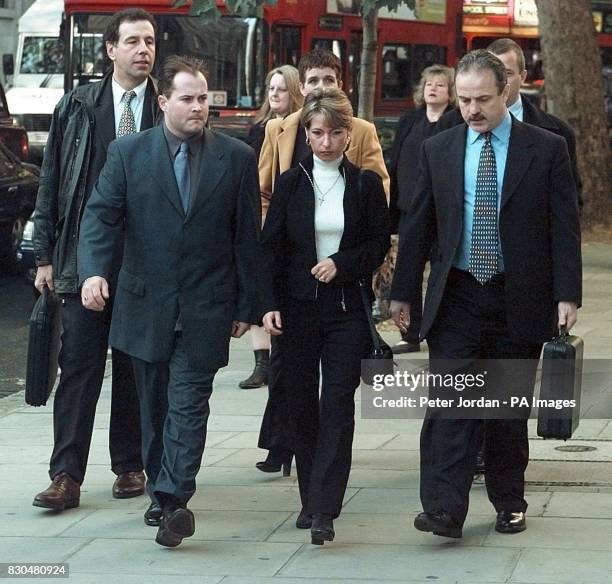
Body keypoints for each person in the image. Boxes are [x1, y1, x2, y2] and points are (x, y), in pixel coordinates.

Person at [390, 50, 581, 538]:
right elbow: (418, 225)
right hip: (457, 295)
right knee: (450, 404)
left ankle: (508, 500)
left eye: (482, 100)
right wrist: (403, 291)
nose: (472, 110)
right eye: (464, 99)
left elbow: (565, 226)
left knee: (504, 409)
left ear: (507, 93)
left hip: (519, 295)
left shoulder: (546, 147)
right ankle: (443, 508)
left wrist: (567, 294)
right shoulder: (441, 147)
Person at [77, 55, 260, 548]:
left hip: (207, 305)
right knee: (154, 408)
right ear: (163, 103)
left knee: (189, 402)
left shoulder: (236, 157)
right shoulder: (128, 153)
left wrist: (247, 303)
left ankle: (176, 498)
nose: (199, 107)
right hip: (144, 304)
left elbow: (247, 237)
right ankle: (162, 493)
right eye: (188, 98)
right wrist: (94, 272)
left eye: (204, 98)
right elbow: (101, 216)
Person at [32, 8, 158, 511]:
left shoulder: (164, 105)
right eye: (132, 41)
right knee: (79, 366)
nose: (143, 50)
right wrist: (43, 255)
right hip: (84, 260)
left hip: (146, 263)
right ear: (111, 49)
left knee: (133, 367)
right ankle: (65, 473)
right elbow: (51, 181)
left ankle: (129, 464)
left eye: (149, 41)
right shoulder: (78, 105)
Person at [260, 88, 390, 544]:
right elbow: (271, 247)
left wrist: (342, 263)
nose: (327, 142)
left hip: (345, 311)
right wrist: (269, 304)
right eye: (317, 133)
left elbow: (377, 245)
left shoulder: (366, 185)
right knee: (300, 405)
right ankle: (308, 498)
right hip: (296, 310)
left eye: (336, 132)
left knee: (337, 404)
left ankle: (326, 508)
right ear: (308, 135)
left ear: (348, 133)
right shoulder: (292, 183)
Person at [436, 38, 582, 208]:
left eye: (507, 73)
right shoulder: (447, 126)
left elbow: (568, 204)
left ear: (523, 77)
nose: (500, 79)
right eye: (491, 71)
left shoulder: (557, 135)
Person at [239, 65, 303, 390]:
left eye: (280, 89)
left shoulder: (307, 129)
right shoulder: (260, 129)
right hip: (266, 219)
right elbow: (257, 181)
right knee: (260, 287)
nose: (274, 94)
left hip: (296, 227)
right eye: (270, 88)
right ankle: (260, 362)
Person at [388, 64, 455, 355]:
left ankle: (437, 328)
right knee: (409, 269)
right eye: (429, 83)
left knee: (440, 272)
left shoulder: (455, 122)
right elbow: (396, 160)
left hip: (440, 212)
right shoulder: (410, 120)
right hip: (408, 209)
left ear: (450, 92)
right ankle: (410, 332)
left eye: (440, 84)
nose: (433, 88)